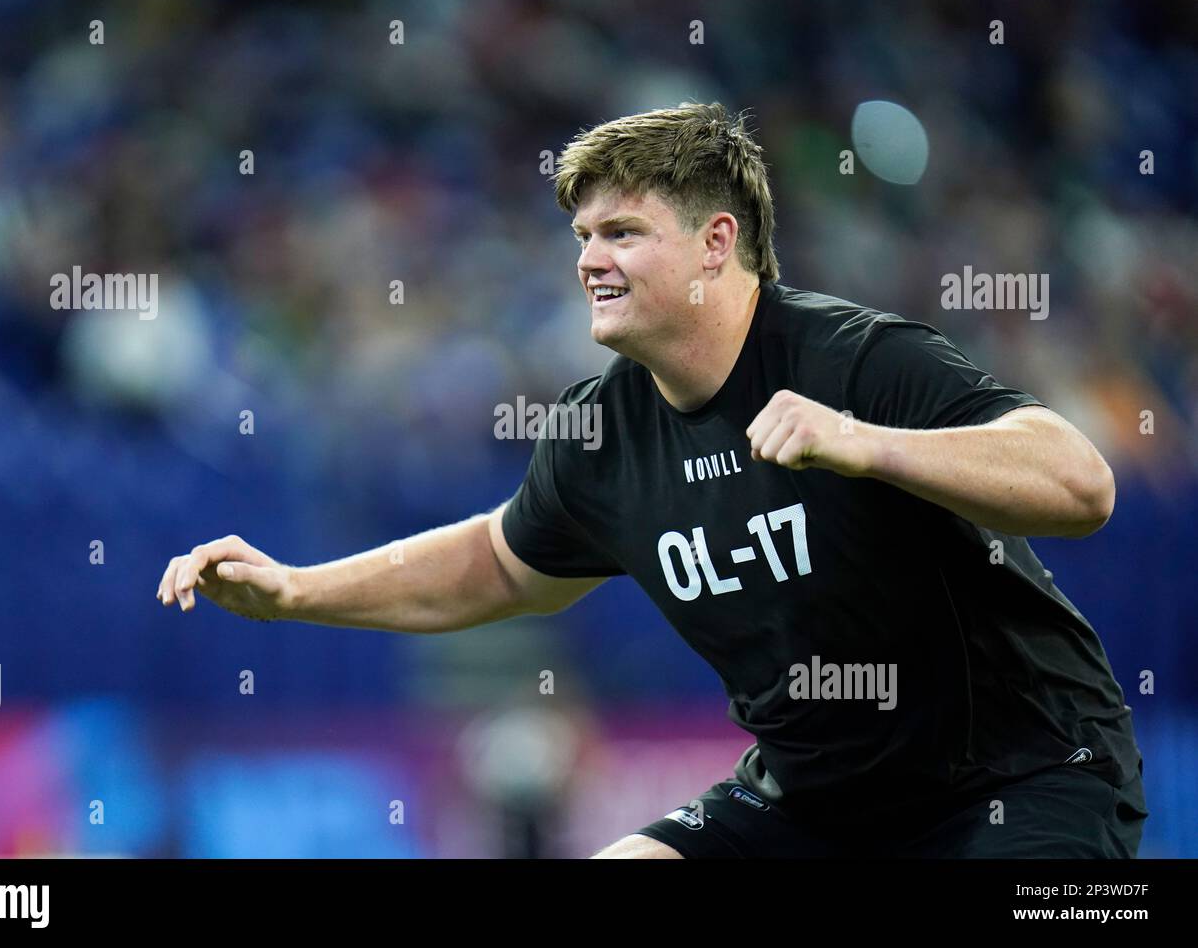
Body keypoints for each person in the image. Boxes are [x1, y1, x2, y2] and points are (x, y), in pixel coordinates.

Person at [157, 102, 1146, 858]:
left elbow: (1078, 480)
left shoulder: (855, 361)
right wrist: (292, 589)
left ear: (717, 241)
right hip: (816, 795)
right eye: (582, 236)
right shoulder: (601, 428)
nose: (589, 258)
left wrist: (863, 442)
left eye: (622, 231)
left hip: (1024, 775)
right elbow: (495, 564)